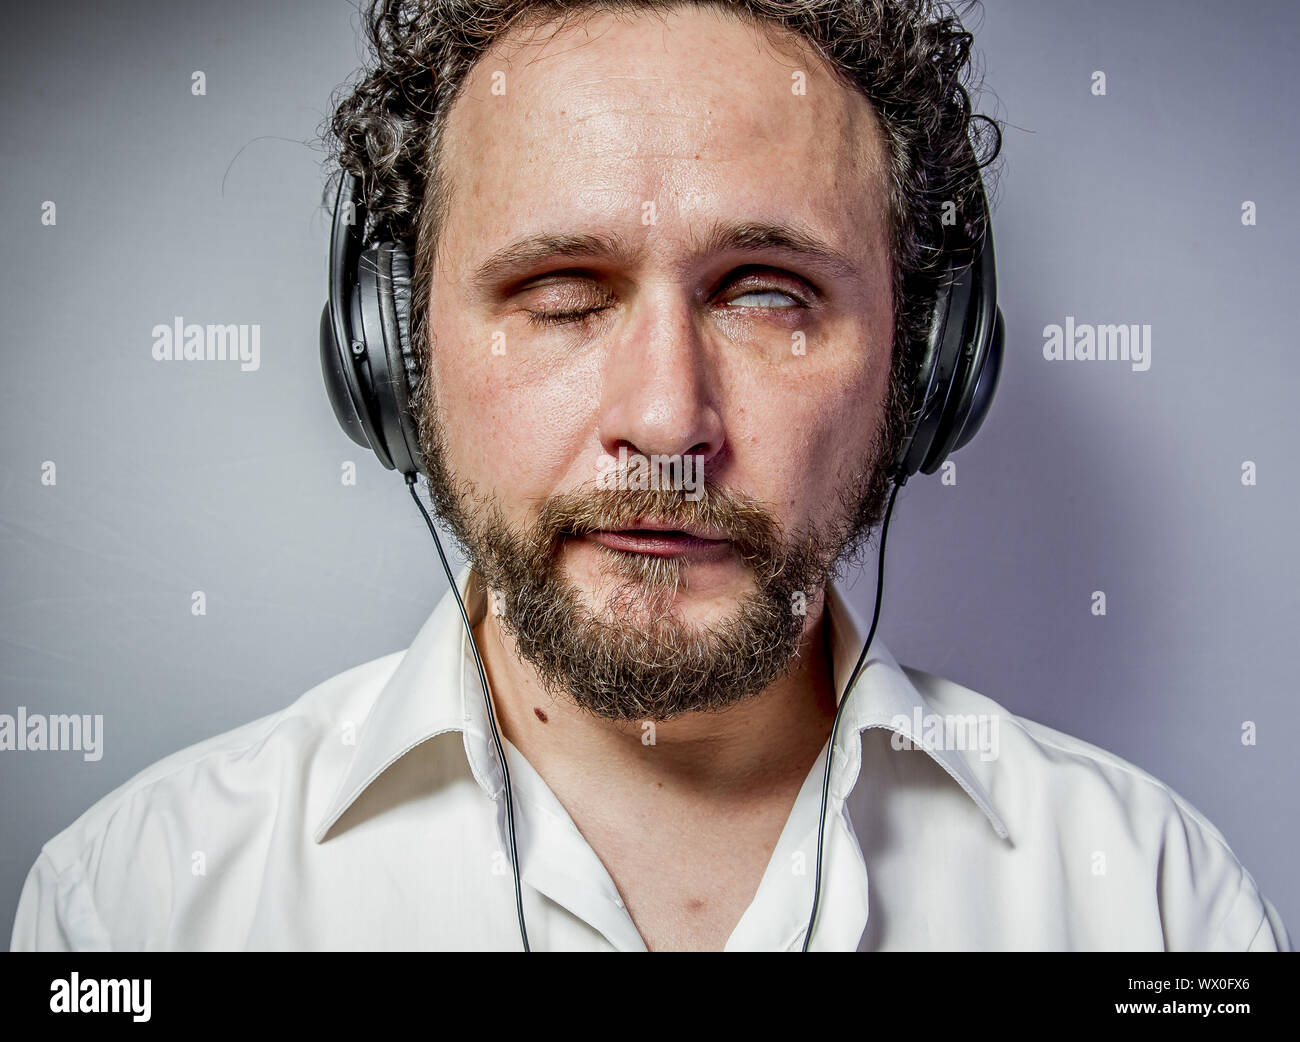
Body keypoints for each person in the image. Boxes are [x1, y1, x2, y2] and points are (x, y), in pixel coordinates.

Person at [10, 0, 1289, 951]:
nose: (666, 417)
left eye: (770, 296)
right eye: (563, 297)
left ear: (926, 366)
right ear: (394, 358)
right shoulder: (134, 906)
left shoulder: (1155, 903)